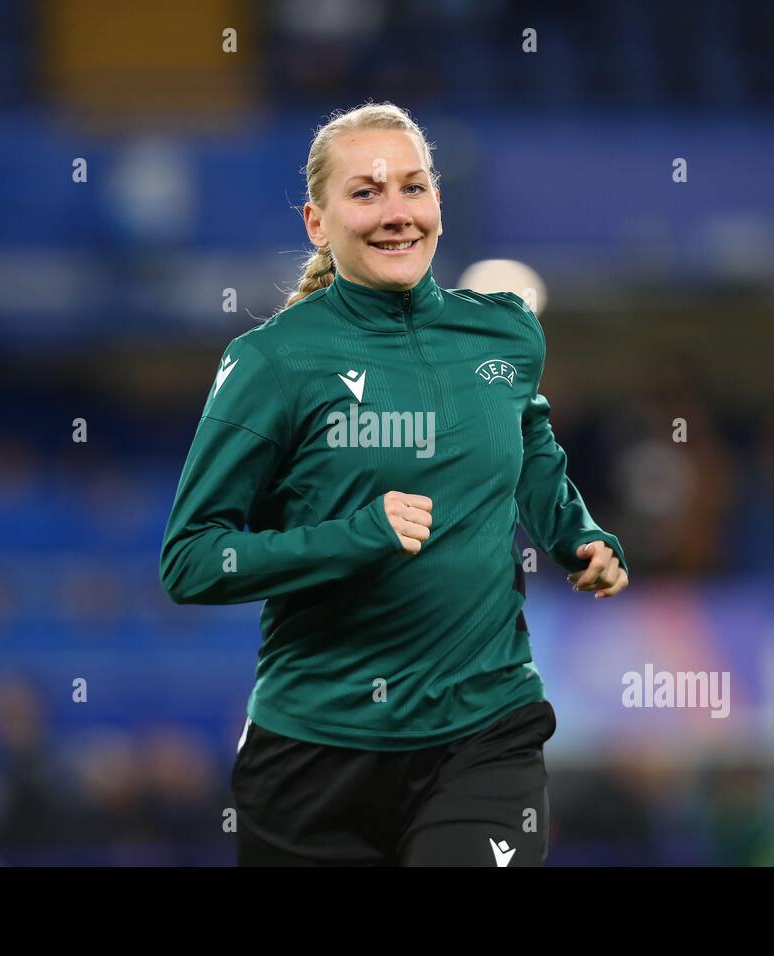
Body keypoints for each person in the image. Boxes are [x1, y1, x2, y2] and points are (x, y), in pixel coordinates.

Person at [159, 102, 628, 866]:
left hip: (484, 731)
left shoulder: (505, 330)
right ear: (317, 223)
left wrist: (575, 532)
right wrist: (359, 536)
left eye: (413, 187)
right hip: (312, 758)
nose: (396, 212)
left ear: (438, 202)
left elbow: (529, 440)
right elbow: (191, 560)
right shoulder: (270, 362)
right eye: (367, 192)